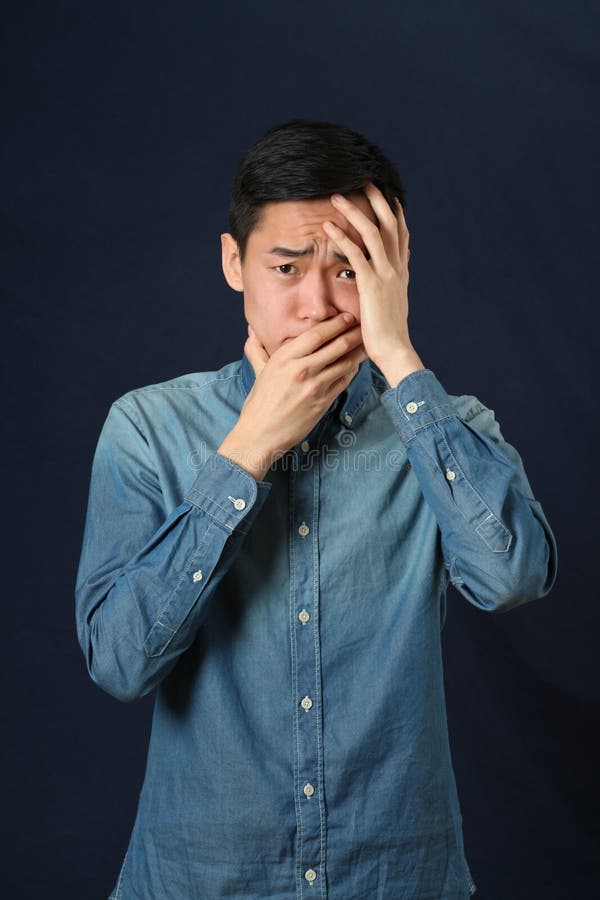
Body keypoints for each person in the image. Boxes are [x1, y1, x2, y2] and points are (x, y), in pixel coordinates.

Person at [75, 118, 558, 900]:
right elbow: (120, 661)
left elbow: (512, 577)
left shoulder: (450, 428)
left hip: (399, 880)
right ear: (234, 263)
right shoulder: (146, 428)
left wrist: (399, 358)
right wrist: (247, 453)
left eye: (349, 270)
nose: (319, 305)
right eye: (289, 266)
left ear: (393, 273)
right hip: (200, 881)